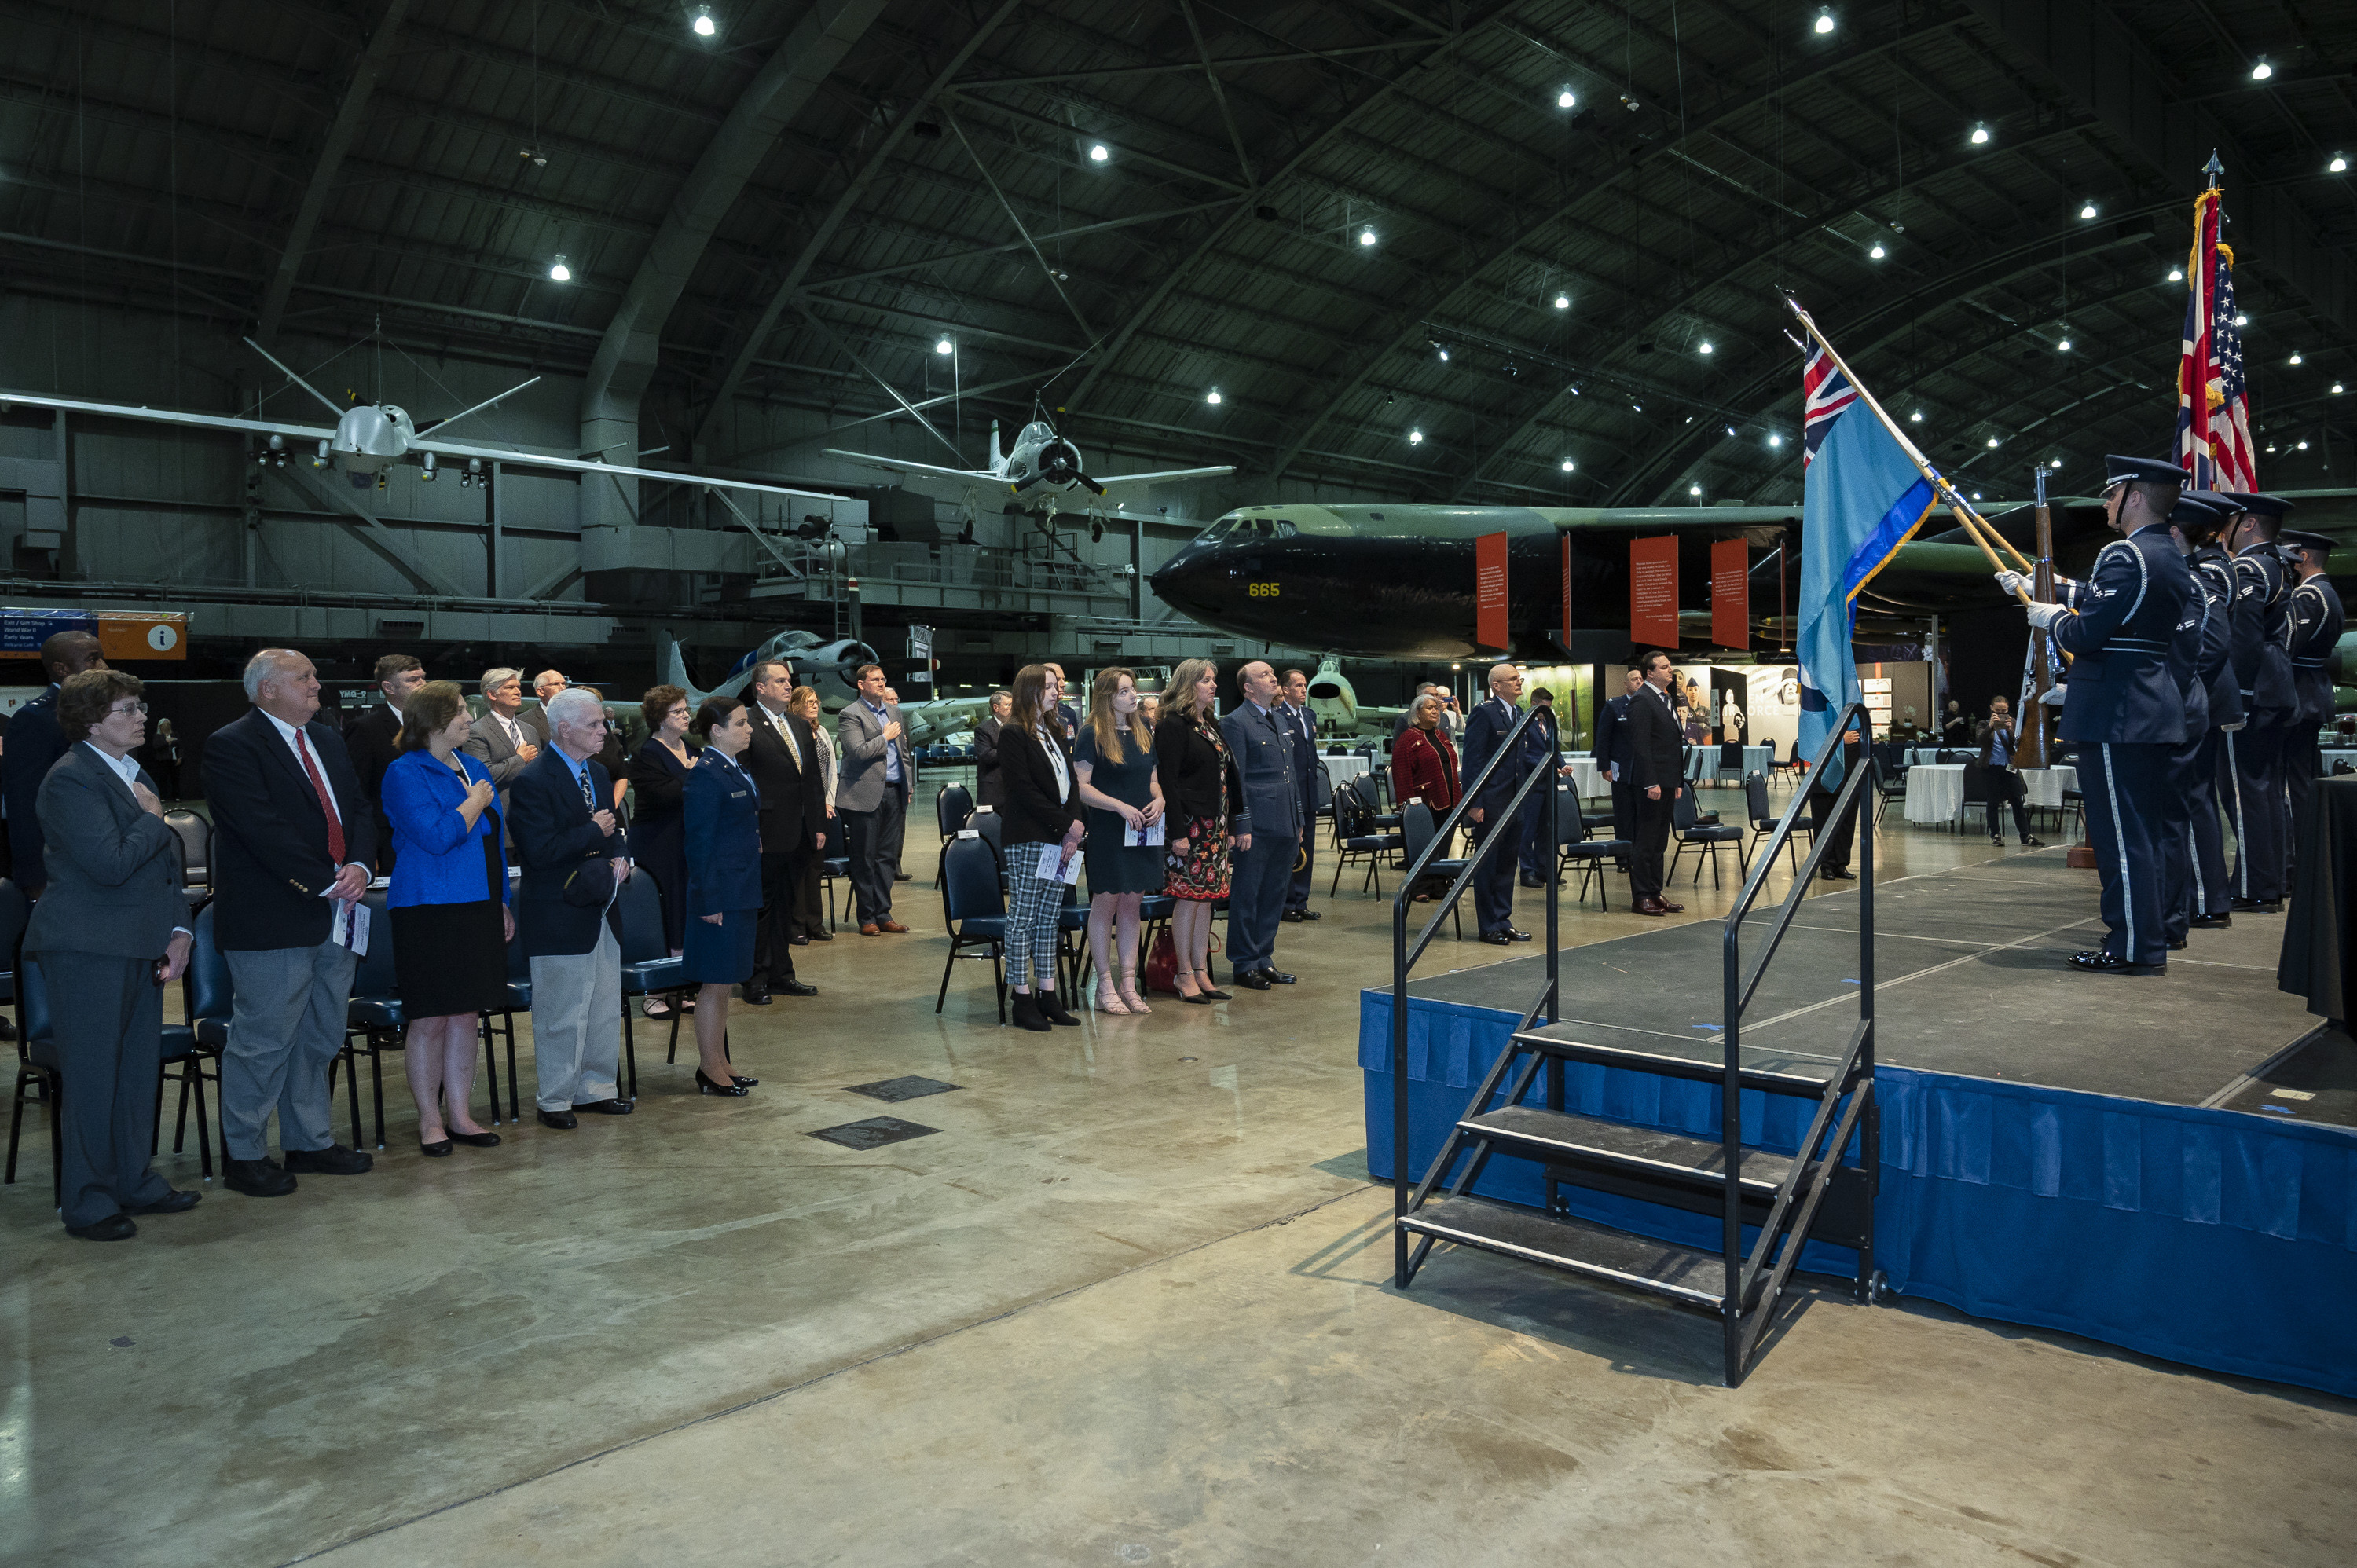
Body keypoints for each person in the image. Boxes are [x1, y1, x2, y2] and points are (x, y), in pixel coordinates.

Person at [2002, 455, 2197, 973]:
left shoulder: (2124, 555)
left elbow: (2089, 632)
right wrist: (2050, 587)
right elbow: (2118, 606)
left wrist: (2054, 619)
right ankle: (2148, 937)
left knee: (2120, 840)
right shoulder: (2168, 554)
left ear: (2134, 495)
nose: (2107, 504)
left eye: (2112, 494)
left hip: (2117, 715)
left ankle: (2132, 947)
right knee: (2144, 835)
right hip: (2144, 706)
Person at [26, 669, 197, 1240]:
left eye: (140, 706)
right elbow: (112, 862)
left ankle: (133, 1180)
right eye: (128, 709)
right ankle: (88, 1199)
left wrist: (180, 929)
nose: (142, 716)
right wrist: (153, 821)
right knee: (95, 1077)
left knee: (134, 1074)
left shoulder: (133, 771)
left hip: (139, 942)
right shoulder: (71, 778)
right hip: (87, 946)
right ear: (93, 721)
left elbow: (164, 870)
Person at [204, 649, 379, 1196]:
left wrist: (359, 864)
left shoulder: (327, 738)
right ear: (267, 690)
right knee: (265, 1038)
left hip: (338, 907)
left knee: (322, 1030)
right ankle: (246, 1152)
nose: (316, 684)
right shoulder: (232, 744)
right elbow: (259, 826)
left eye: (313, 674)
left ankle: (308, 1139)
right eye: (303, 677)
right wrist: (323, 878)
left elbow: (357, 807)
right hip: (274, 913)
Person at [379, 680, 510, 1157]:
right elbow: (436, 836)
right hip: (427, 906)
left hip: (477, 903)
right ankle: (429, 1120)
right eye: (460, 711)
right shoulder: (404, 772)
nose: (469, 719)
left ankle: (460, 1114)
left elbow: (494, 844)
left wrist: (501, 901)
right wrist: (474, 801)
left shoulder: (473, 766)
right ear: (433, 720)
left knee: (465, 1014)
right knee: (431, 1017)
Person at [509, 687, 634, 1127]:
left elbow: (613, 827)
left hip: (601, 905)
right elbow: (539, 851)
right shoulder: (532, 781)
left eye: (603, 722)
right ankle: (556, 1099)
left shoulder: (597, 773)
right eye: (594, 724)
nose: (604, 730)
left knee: (602, 1006)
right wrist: (593, 832)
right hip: (556, 911)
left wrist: (620, 854)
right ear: (565, 729)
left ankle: (595, 1088)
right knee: (562, 1012)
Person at [680, 695, 774, 1095]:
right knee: (714, 984)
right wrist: (708, 900)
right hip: (719, 893)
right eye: (740, 724)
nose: (748, 729)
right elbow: (698, 844)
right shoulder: (706, 774)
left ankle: (721, 1061)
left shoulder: (731, 767)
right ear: (716, 731)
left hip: (741, 887)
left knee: (727, 983)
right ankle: (709, 1067)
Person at [2218, 491, 2300, 912]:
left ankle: (2254, 886)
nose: (2221, 530)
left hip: (2253, 692)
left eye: (2229, 521)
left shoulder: (2250, 566)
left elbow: (2244, 639)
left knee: (2243, 790)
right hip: (2275, 687)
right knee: (2266, 790)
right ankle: (2275, 876)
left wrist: (2236, 696)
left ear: (2247, 524)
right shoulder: (2282, 564)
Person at [1075, 667, 1166, 1014]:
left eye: (1133, 690)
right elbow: (1082, 787)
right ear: (1107, 697)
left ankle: (1129, 984)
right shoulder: (1091, 734)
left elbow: (1153, 778)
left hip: (1142, 829)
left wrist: (1159, 799)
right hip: (1110, 830)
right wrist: (1118, 806)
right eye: (1125, 691)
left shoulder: (1143, 731)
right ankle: (1104, 986)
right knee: (1106, 905)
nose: (1133, 696)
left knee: (1132, 906)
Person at [997, 663, 1083, 1031]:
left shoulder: (1052, 729)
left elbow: (1071, 784)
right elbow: (1022, 790)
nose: (1054, 692)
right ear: (1028, 691)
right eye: (1047, 686)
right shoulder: (1013, 734)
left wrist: (1074, 828)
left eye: (1055, 686)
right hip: (1029, 835)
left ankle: (1048, 993)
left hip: (1059, 838)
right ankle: (1021, 996)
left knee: (1049, 920)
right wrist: (1065, 823)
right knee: (1023, 919)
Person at [1156, 660, 1241, 1004]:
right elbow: (1168, 782)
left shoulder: (1208, 723)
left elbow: (1227, 778)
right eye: (1206, 680)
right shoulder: (1173, 725)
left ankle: (1201, 968)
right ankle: (1183, 973)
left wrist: (1231, 824)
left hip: (1214, 825)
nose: (1213, 685)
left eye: (1213, 680)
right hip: (1190, 827)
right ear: (1188, 684)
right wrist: (1177, 832)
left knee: (1207, 900)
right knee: (1189, 899)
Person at [739, 660, 824, 1002]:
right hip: (767, 829)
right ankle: (755, 978)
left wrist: (817, 824)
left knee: (788, 906)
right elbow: (743, 779)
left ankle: (782, 974)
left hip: (800, 830)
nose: (789, 686)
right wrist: (751, 829)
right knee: (762, 908)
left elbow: (813, 779)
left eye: (789, 682)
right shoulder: (746, 722)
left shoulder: (799, 724)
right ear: (760, 687)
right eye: (780, 681)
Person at [2182, 497, 2245, 932]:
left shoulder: (2210, 570)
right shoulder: (2213, 565)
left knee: (2193, 799)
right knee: (2197, 798)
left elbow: (2211, 640)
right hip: (2208, 694)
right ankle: (2204, 894)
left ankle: (2206, 897)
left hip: (2200, 694)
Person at [4, 628, 108, 896]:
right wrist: (34, 877)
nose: (104, 666)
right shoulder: (35, 719)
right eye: (93, 659)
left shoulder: (111, 712)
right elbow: (24, 804)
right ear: (62, 668)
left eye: (102, 658)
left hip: (106, 857)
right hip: (60, 869)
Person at [1220, 660, 1299, 988]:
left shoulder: (1278, 719)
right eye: (1264, 676)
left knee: (1274, 894)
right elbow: (1235, 779)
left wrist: (1300, 818)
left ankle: (1264, 957)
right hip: (1257, 823)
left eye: (1272, 674)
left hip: (1285, 820)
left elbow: (1290, 775)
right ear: (1248, 687)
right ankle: (1244, 962)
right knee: (1249, 893)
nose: (1272, 679)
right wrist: (1241, 824)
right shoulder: (1237, 721)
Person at [1459, 663, 1536, 944]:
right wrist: (1474, 802)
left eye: (1519, 678)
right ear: (1497, 686)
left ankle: (1503, 920)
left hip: (1514, 801)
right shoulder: (1485, 713)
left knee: (1507, 864)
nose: (1519, 682)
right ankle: (1488, 925)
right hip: (1491, 802)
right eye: (1513, 679)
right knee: (1488, 865)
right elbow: (1474, 762)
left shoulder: (1518, 714)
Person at [836, 661, 912, 934]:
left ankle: (884, 913)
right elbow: (857, 752)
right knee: (865, 858)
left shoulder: (893, 710)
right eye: (875, 680)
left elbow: (904, 752)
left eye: (883, 679)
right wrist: (885, 736)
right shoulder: (850, 714)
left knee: (887, 858)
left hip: (894, 791)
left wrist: (909, 784)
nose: (881, 683)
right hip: (863, 795)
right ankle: (866, 918)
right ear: (861, 684)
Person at [626, 685, 694, 973]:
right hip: (657, 842)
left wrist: (689, 776)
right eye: (677, 711)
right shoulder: (646, 752)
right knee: (664, 910)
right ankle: (657, 991)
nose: (686, 715)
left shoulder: (691, 748)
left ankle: (682, 980)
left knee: (684, 909)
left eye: (686, 709)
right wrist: (691, 774)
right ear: (659, 717)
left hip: (685, 839)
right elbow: (663, 795)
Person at [2283, 529, 2343, 845]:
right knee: (2303, 777)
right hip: (2312, 690)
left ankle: (2303, 853)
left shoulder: (2309, 596)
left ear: (2303, 557)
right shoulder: (2327, 593)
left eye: (2292, 556)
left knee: (2296, 783)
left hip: (2300, 693)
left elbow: (2288, 644)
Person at [344, 653, 424, 874]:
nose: (422, 684)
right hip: (388, 842)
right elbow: (357, 793)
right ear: (389, 687)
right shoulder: (365, 729)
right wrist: (365, 851)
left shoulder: (437, 726)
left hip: (434, 835)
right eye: (413, 680)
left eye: (423, 678)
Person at [1625, 650, 1687, 917]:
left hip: (1668, 779)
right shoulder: (1642, 700)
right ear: (1650, 673)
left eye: (1670, 666)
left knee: (1660, 841)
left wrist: (1677, 780)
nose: (1670, 670)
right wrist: (1651, 781)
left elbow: (1672, 744)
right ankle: (1641, 896)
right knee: (1646, 839)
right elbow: (1641, 746)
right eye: (1664, 667)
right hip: (1650, 782)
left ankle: (1655, 891)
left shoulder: (1665, 698)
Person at [1391, 693, 1461, 901]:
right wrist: (1408, 805)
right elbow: (1401, 773)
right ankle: (1418, 886)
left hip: (1448, 798)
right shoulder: (1409, 738)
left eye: (1436, 708)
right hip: (1423, 802)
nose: (1434, 711)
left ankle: (1439, 885)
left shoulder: (1440, 735)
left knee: (1443, 844)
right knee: (1424, 845)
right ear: (1417, 712)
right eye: (1429, 708)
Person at [788, 685, 838, 943]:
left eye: (816, 702)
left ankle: (815, 924)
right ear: (796, 705)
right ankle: (796, 926)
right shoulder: (790, 732)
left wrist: (829, 802)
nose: (815, 706)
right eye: (809, 702)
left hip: (820, 808)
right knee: (798, 869)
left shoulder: (823, 732)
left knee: (815, 868)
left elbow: (831, 771)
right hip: (798, 810)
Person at [1277, 667, 1323, 922]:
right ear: (1285, 690)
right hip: (1290, 795)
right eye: (1298, 686)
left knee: (1308, 850)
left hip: (1309, 793)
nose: (1304, 690)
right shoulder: (1279, 716)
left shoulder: (1309, 714)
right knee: (1291, 850)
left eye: (1305, 685)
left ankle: (1301, 901)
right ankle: (1286, 903)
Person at [464, 667, 541, 813]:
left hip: (534, 810)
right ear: (492, 694)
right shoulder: (476, 731)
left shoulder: (530, 730)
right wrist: (520, 759)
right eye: (510, 687)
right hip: (502, 812)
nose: (518, 692)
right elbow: (483, 776)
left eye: (518, 687)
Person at [1975, 697, 2044, 848]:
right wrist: (1991, 727)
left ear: (2008, 710)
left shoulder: (2013, 723)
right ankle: (1996, 834)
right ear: (1991, 708)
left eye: (2003, 711)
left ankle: (2025, 836)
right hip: (1991, 767)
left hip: (2009, 767)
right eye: (1997, 711)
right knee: (1993, 801)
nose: (2000, 715)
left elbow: (2021, 742)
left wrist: (2012, 730)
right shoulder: (1983, 723)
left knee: (2017, 801)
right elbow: (1980, 740)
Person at [1593, 666, 1644, 863]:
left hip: (1643, 770)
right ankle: (1623, 858)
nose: (1638, 682)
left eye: (1641, 679)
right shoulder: (1614, 706)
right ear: (1625, 684)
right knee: (1624, 815)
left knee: (1642, 814)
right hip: (1621, 770)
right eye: (1634, 679)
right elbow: (1603, 738)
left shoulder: (1648, 704)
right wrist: (1604, 766)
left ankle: (1639, 856)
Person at [1518, 687, 1566, 888]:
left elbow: (1555, 748)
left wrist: (1562, 765)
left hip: (1549, 782)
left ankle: (1544, 869)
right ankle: (1527, 871)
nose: (1547, 712)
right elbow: (1524, 755)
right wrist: (1547, 763)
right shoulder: (1525, 725)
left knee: (1547, 829)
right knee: (1528, 829)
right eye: (1544, 708)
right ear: (1534, 704)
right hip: (1532, 784)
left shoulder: (1547, 723)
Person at [973, 690, 1012, 809]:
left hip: (1012, 789)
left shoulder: (1015, 727)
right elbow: (986, 755)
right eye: (1008, 705)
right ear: (996, 707)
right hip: (993, 791)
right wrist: (1012, 752)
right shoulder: (983, 730)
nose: (1012, 709)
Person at [146, 716, 183, 800]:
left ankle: (176, 796)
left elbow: (180, 747)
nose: (166, 726)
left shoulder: (175, 734)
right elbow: (156, 746)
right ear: (160, 726)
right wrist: (166, 742)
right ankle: (163, 797)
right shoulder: (157, 736)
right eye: (164, 724)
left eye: (168, 724)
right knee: (163, 779)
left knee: (175, 779)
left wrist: (180, 757)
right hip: (162, 760)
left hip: (174, 760)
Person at [528, 670, 566, 744]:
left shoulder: (579, 715)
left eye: (564, 684)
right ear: (540, 691)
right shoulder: (526, 721)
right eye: (556, 684)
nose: (562, 689)